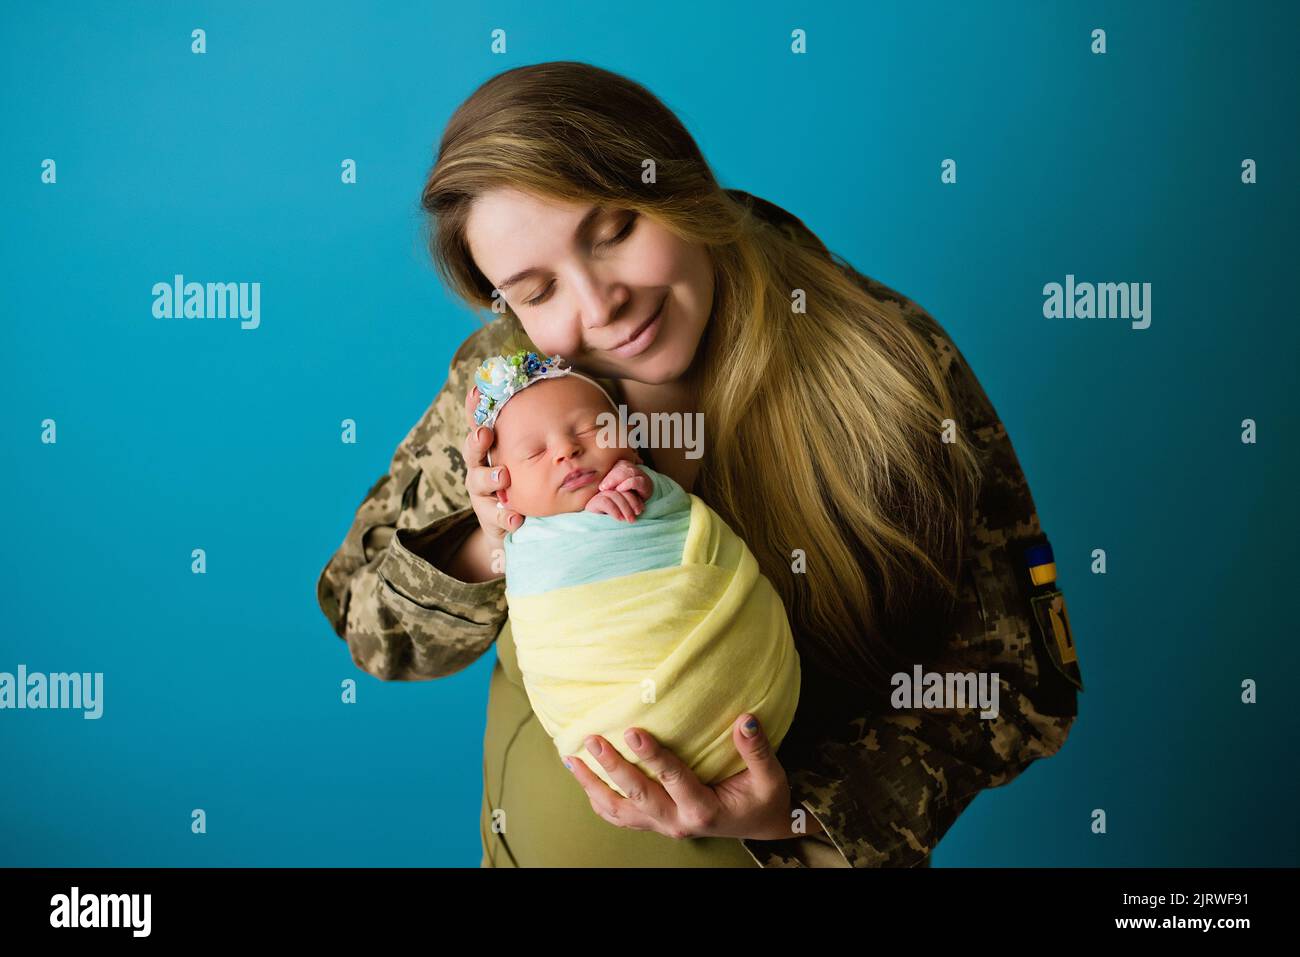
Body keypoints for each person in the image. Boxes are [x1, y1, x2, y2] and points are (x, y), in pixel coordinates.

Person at [316, 60, 1084, 867]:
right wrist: (491, 537)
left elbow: (1018, 684)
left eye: (615, 231)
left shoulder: (889, 366)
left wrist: (800, 814)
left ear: (680, 180)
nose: (597, 304)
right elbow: (365, 623)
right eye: (537, 290)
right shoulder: (507, 392)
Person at [471, 349, 803, 799]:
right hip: (606, 745)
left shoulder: (637, 482)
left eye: (589, 428)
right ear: (500, 488)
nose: (567, 450)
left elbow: (672, 515)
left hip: (750, 704)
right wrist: (489, 540)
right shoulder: (527, 544)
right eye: (534, 453)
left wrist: (645, 490)